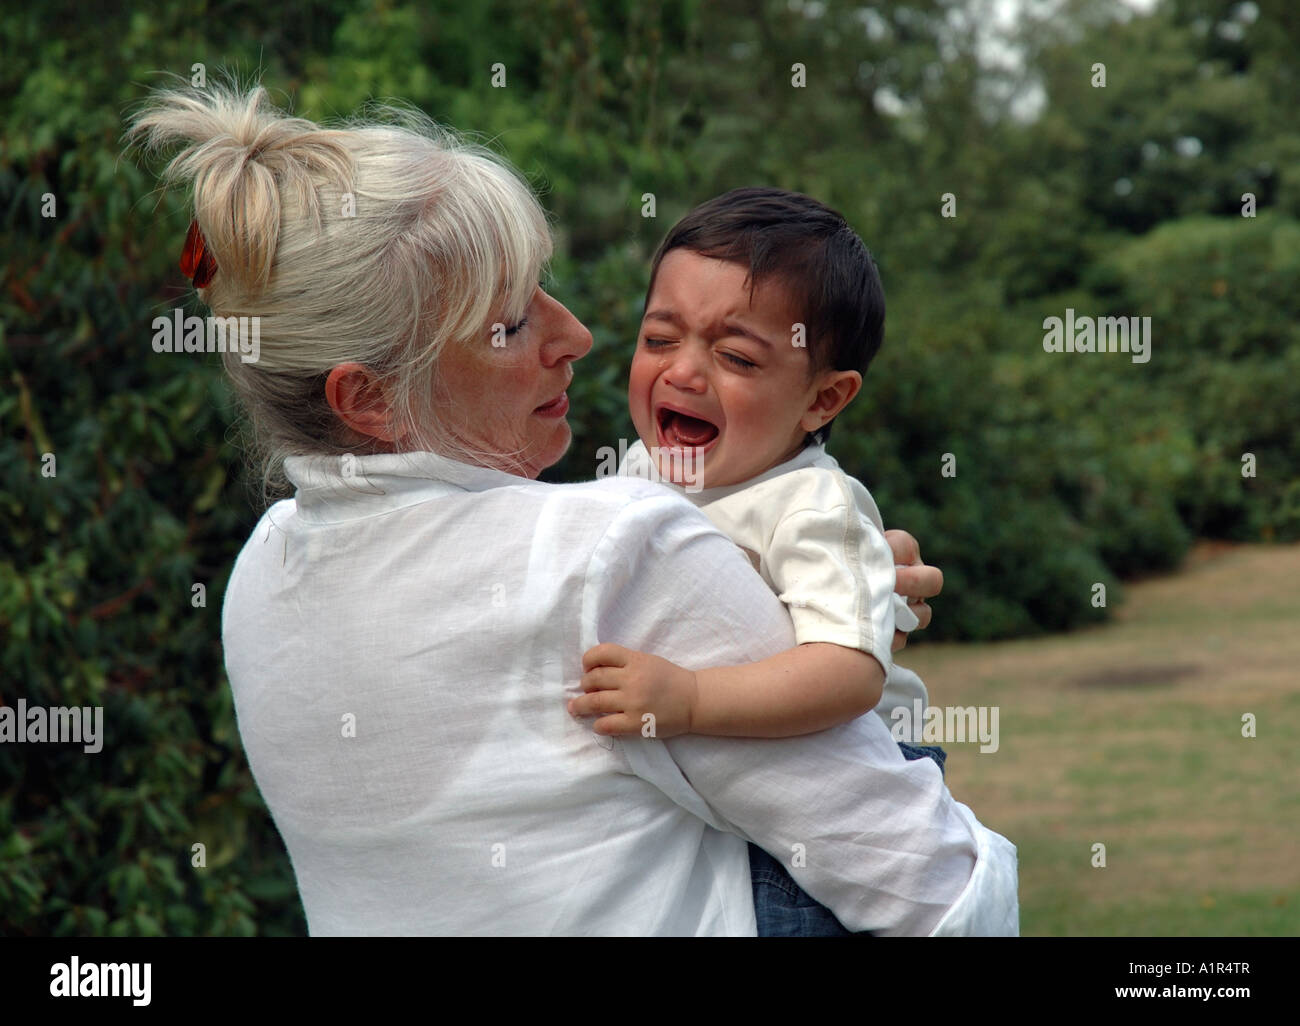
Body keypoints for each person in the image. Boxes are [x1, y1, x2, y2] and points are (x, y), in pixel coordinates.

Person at [129, 81, 1018, 935]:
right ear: (370, 399)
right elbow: (934, 891)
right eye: (509, 325)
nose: (579, 337)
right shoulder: (615, 550)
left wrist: (807, 605)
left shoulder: (262, 572)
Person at [564, 187, 950, 934]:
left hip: (841, 797)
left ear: (822, 400)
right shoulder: (637, 471)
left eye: (736, 355)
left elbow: (847, 671)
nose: (682, 372)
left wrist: (690, 701)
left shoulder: (812, 506)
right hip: (720, 788)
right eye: (659, 339)